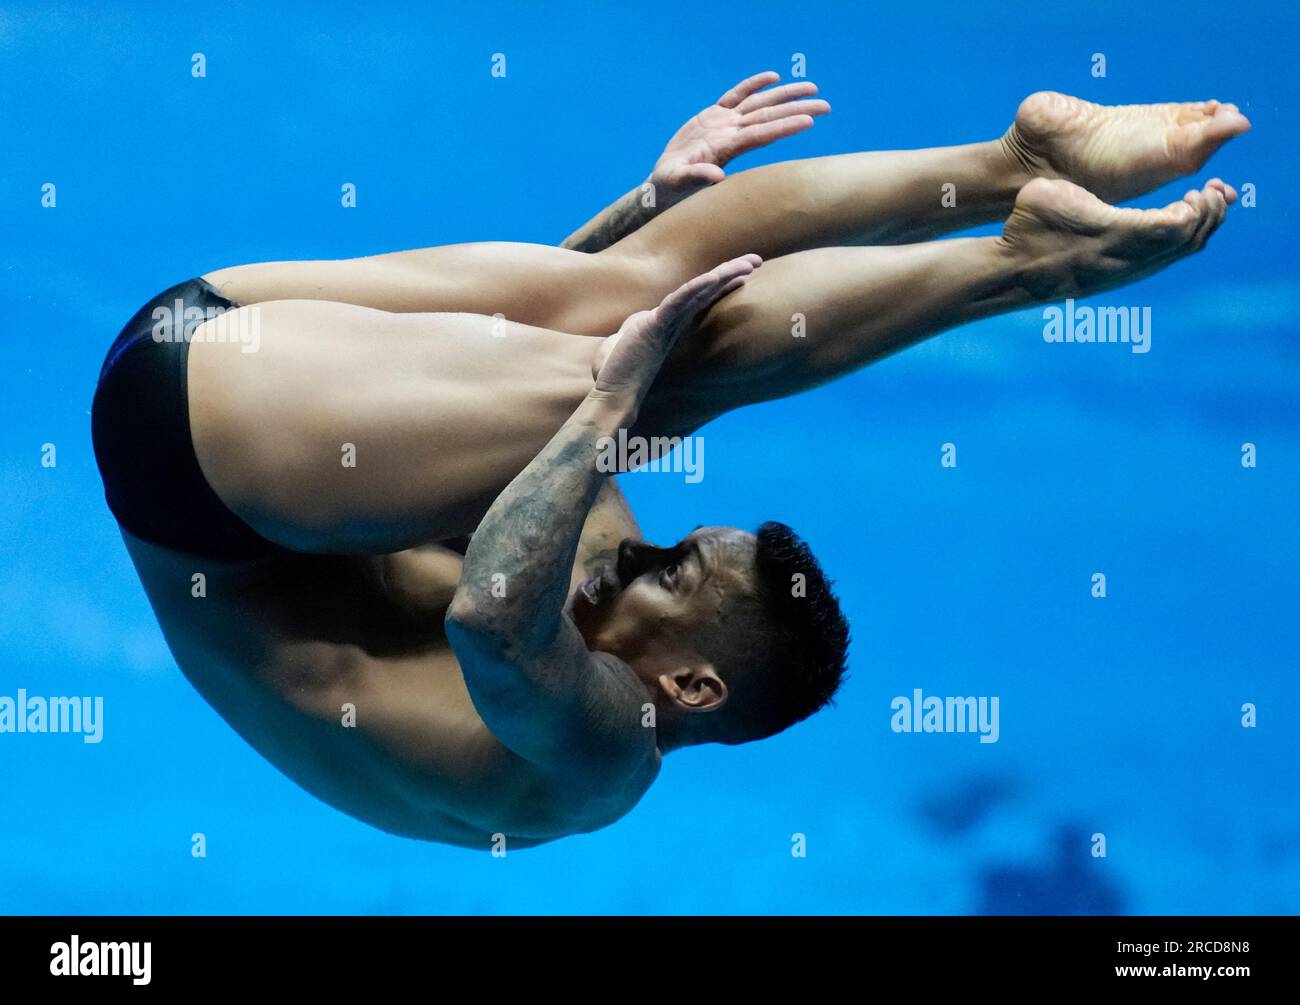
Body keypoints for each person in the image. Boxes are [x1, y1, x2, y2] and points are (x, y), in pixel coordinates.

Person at [90, 73, 1249, 846]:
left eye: (672, 577)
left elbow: (491, 619)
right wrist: (642, 210)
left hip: (197, 462)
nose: (636, 549)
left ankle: (1027, 262)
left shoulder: (599, 756)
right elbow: (457, 382)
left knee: (654, 375)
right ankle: (1011, 164)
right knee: (633, 310)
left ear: (692, 686)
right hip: (213, 335)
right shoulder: (606, 581)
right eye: (672, 549)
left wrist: (610, 401)